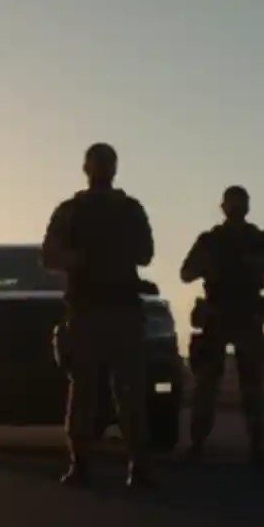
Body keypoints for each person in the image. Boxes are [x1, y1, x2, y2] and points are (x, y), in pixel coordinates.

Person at [41, 143, 156, 489]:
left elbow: (145, 253)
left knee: (116, 391)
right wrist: (84, 259)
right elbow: (51, 255)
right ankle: (93, 463)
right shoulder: (88, 210)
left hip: (109, 308)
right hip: (96, 308)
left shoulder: (103, 210)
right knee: (98, 391)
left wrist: (85, 258)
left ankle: (118, 464)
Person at [180, 185, 264, 468]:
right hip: (220, 315)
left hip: (245, 316)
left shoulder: (258, 240)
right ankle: (202, 445)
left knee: (246, 387)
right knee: (210, 386)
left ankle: (252, 448)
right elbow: (187, 272)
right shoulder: (214, 241)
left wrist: (250, 263)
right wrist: (212, 264)